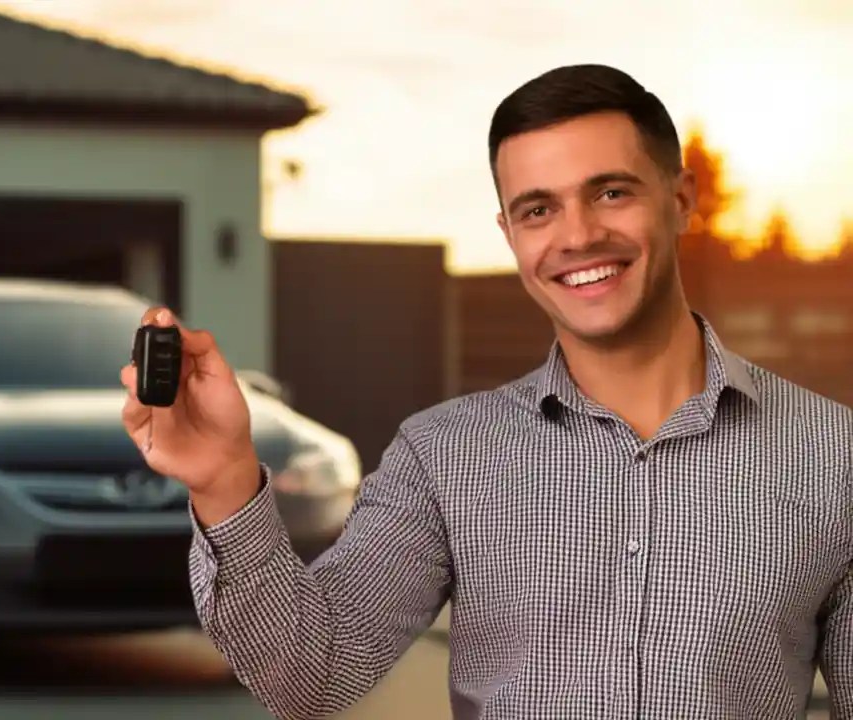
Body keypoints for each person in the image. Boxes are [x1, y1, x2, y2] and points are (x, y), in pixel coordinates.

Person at [119, 63, 853, 719]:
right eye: (539, 209)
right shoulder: (443, 455)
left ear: (680, 198)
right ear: (509, 233)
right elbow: (310, 676)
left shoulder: (834, 457)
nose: (578, 235)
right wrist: (223, 483)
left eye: (610, 192)